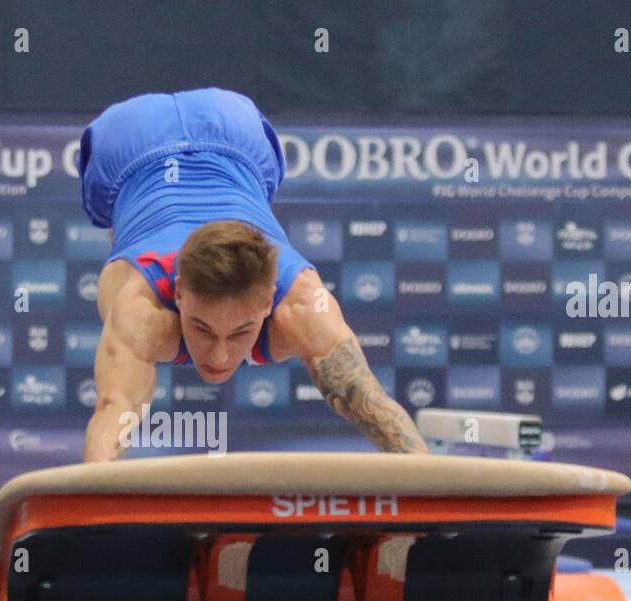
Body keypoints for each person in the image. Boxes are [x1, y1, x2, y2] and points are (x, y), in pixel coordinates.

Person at [78, 87, 427, 462]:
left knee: (359, 394)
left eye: (241, 331)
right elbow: (114, 411)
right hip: (133, 142)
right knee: (119, 227)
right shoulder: (143, 309)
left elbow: (373, 403)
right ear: (178, 292)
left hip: (231, 138)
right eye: (202, 328)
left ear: (266, 304)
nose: (220, 354)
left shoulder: (303, 306)